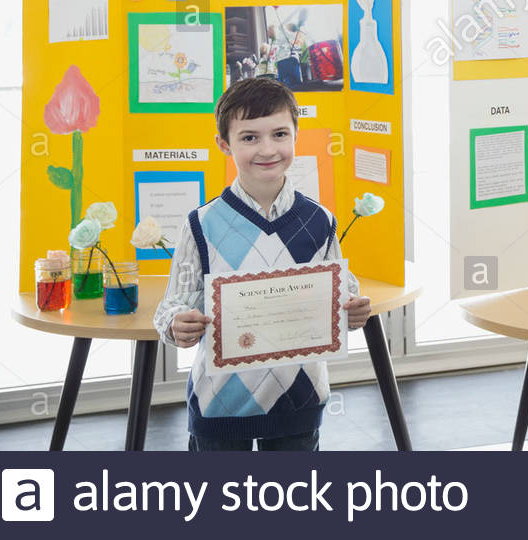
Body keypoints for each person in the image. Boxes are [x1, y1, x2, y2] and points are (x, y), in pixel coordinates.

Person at [153, 77, 371, 451]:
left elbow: (342, 292)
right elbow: (171, 305)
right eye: (250, 137)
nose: (267, 149)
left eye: (280, 134)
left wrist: (353, 310)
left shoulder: (321, 220)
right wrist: (177, 324)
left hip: (299, 399)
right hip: (219, 402)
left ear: (297, 135)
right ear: (225, 144)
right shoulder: (200, 224)